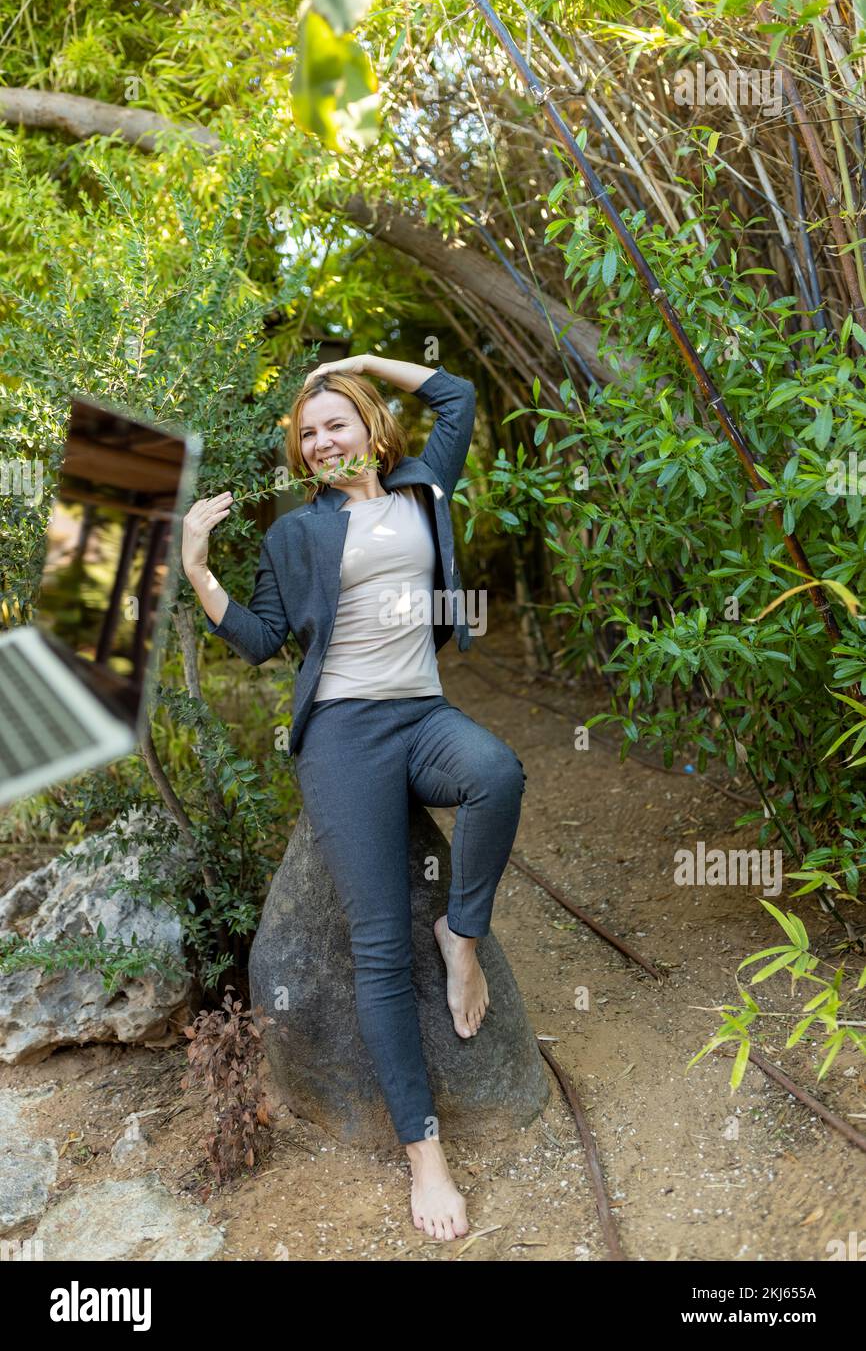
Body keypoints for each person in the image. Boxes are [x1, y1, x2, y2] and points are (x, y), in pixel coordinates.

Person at [182, 354, 526, 1241]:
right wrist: (195, 568)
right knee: (377, 946)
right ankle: (426, 1156)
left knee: (497, 772)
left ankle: (463, 934)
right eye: (308, 432)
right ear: (301, 456)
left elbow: (458, 395)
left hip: (423, 715)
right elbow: (260, 640)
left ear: (371, 429)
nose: (322, 439)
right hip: (342, 735)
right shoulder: (297, 535)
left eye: (336, 422)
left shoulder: (421, 487)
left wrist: (363, 361)